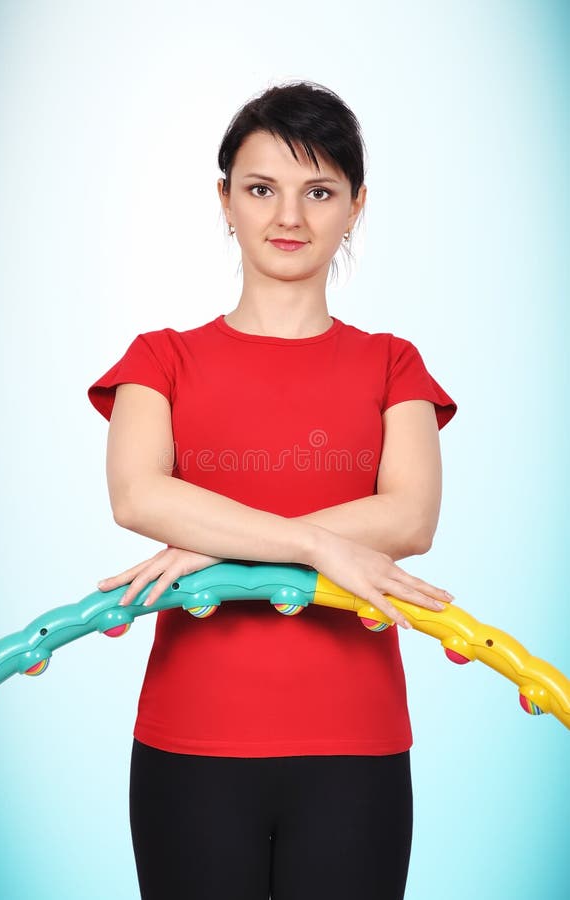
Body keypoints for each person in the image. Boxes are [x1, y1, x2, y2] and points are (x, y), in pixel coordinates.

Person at [87, 80, 458, 900]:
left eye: (319, 191)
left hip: (355, 747)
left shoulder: (394, 363)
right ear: (225, 200)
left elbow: (411, 517)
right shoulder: (160, 359)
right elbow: (138, 497)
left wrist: (214, 538)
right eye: (262, 189)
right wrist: (317, 543)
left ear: (357, 206)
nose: (289, 217)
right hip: (190, 744)